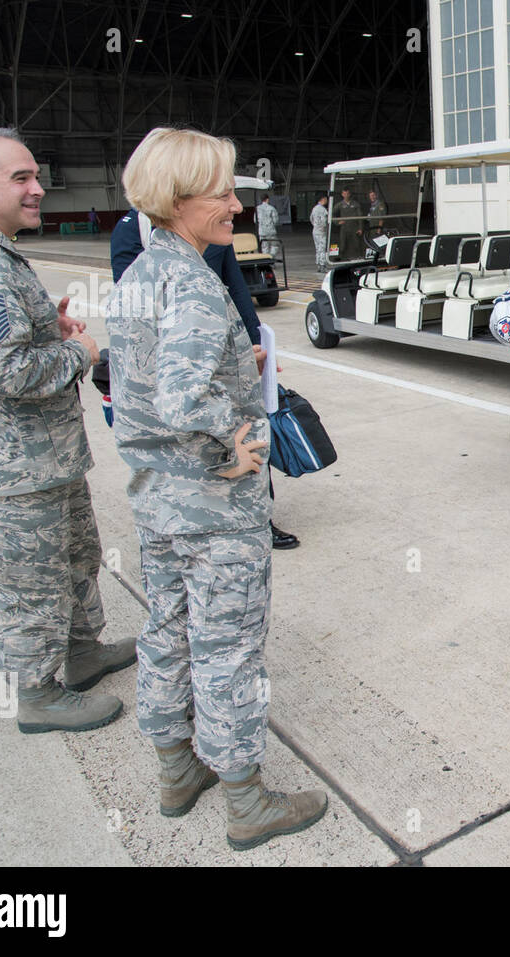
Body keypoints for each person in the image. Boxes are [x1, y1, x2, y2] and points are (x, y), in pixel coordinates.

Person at [106, 127, 326, 850]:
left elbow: (139, 382)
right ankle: (245, 798)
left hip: (158, 498)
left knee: (168, 627)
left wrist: (238, 359)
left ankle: (177, 768)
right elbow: (178, 397)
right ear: (178, 199)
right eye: (223, 192)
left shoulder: (143, 272)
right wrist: (236, 431)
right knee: (227, 645)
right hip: (211, 501)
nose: (237, 204)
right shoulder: (196, 284)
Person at [0, 127, 131, 734]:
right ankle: (37, 694)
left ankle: (83, 652)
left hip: (45, 458)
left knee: (74, 560)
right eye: (22, 178)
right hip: (11, 468)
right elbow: (4, 371)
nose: (39, 189)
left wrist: (48, 329)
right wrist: (80, 353)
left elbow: (5, 347)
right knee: (29, 584)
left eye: (36, 176)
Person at [110, 207, 301, 551]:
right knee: (230, 438)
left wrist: (250, 344)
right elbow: (139, 322)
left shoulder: (213, 234)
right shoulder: (135, 234)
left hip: (221, 352)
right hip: (183, 363)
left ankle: (263, 515)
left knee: (250, 430)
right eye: (221, 191)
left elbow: (236, 288)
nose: (236, 205)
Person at [334, 188, 362, 260]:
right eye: (344, 194)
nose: (346, 195)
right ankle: (341, 258)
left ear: (349, 194)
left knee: (357, 244)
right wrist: (337, 222)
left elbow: (360, 217)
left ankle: (359, 257)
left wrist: (360, 228)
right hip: (344, 227)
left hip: (354, 227)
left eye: (347, 193)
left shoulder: (355, 204)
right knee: (343, 245)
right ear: (342, 194)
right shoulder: (339, 204)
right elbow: (332, 214)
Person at [310, 193, 330, 271]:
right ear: (323, 199)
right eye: (326, 199)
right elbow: (324, 221)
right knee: (323, 248)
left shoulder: (314, 208)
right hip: (321, 231)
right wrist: (323, 227)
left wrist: (316, 226)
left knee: (317, 248)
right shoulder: (323, 209)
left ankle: (318, 264)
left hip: (315, 230)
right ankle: (322, 265)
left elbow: (311, 219)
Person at [255, 193, 279, 258]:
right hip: (271, 231)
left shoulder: (257, 208)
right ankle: (271, 258)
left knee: (264, 247)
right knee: (274, 245)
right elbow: (275, 220)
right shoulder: (271, 208)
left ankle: (266, 260)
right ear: (267, 199)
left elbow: (255, 220)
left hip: (262, 232)